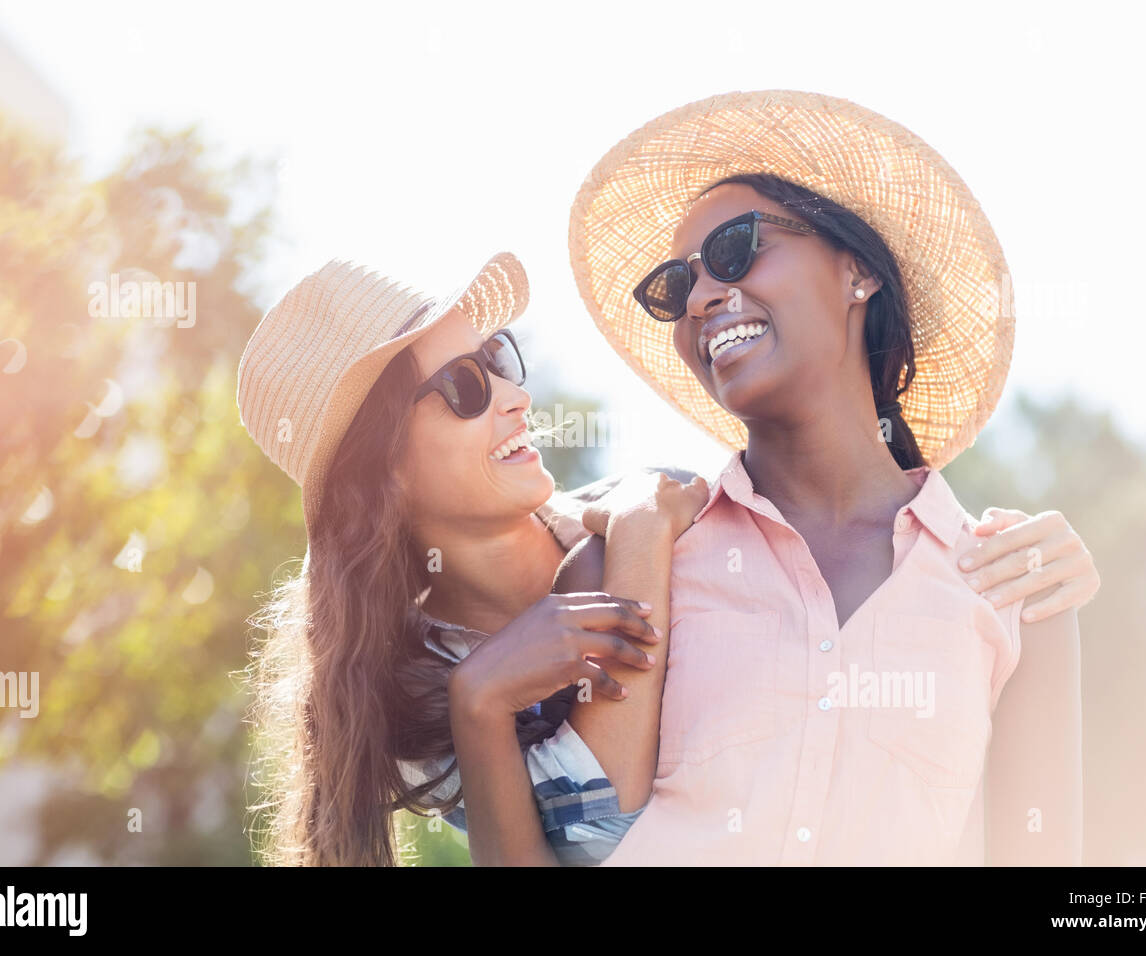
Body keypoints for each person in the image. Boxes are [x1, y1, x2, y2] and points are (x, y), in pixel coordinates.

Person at [239, 246, 1097, 866]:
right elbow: (601, 829)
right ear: (382, 477)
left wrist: (1047, 571)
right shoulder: (409, 686)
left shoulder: (679, 526)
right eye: (462, 388)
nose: (511, 395)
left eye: (497, 359)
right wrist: (480, 700)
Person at [551, 89, 1092, 864]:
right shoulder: (637, 561)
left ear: (857, 273)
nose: (701, 296)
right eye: (677, 287)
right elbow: (570, 842)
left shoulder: (1011, 590)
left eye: (736, 250)